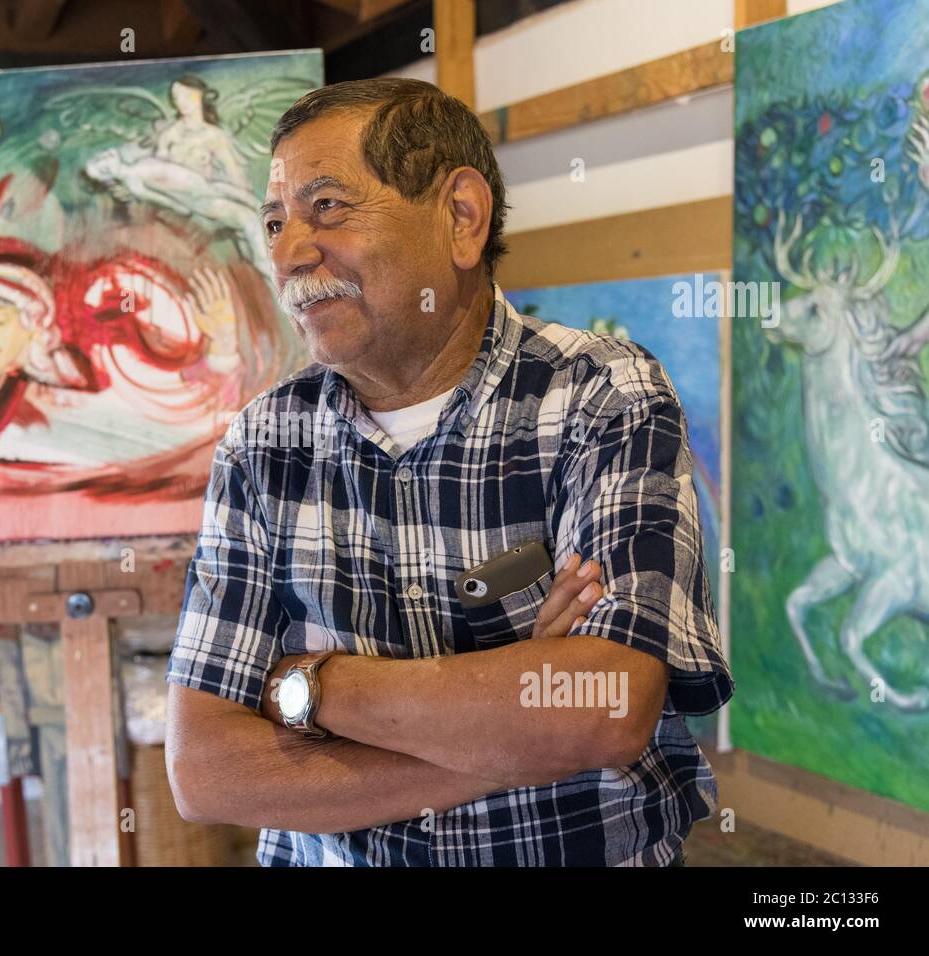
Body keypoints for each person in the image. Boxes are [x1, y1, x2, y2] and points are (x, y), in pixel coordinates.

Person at [165, 78, 732, 867]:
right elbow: (206, 773)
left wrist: (308, 688)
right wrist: (510, 733)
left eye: (328, 208)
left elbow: (601, 708)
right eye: (274, 221)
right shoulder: (265, 444)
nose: (290, 253)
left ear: (461, 217)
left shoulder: (602, 396)